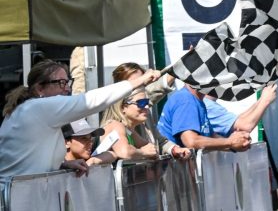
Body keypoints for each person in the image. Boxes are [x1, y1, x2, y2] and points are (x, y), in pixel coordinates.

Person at [0, 59, 161, 178]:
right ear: (40, 89)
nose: (67, 89)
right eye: (61, 83)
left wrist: (62, 165)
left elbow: (31, 158)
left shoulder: (33, 110)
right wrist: (140, 81)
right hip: (16, 201)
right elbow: (90, 101)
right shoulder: (36, 108)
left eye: (67, 82)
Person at [157, 83, 252, 152]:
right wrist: (230, 142)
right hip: (169, 170)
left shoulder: (197, 101)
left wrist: (238, 142)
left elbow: (211, 136)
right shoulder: (186, 101)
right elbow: (191, 141)